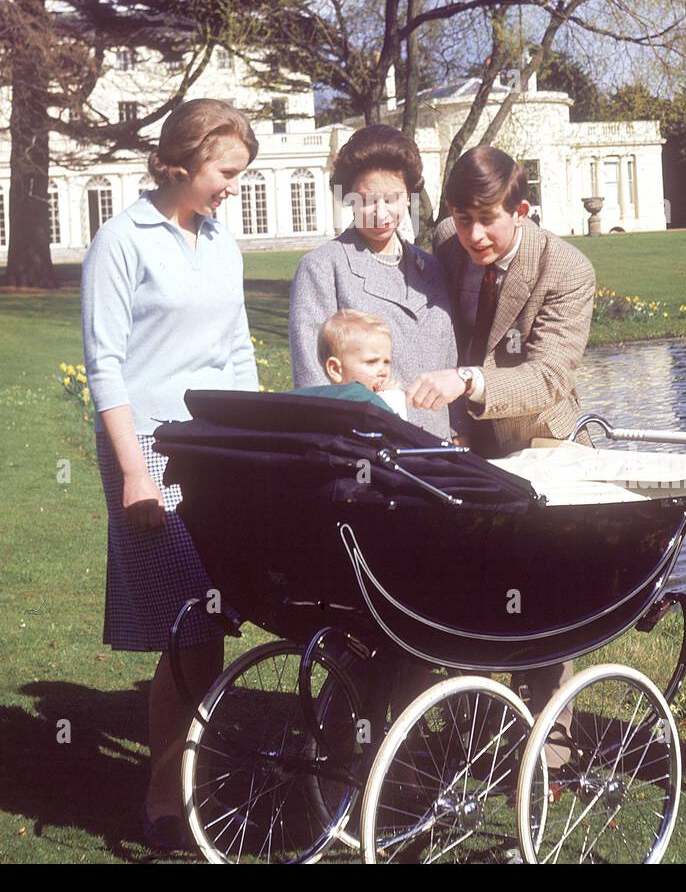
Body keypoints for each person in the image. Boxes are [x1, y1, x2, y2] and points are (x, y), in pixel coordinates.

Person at [81, 98, 260, 850]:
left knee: (213, 622)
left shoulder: (222, 243)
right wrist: (134, 474)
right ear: (182, 162)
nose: (232, 187)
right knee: (186, 625)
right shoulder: (120, 240)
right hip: (147, 451)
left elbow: (240, 352)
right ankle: (164, 795)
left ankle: (191, 772)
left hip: (219, 450)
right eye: (225, 173)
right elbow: (104, 364)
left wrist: (259, 452)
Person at [416, 145, 596, 778]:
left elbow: (548, 376)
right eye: (462, 219)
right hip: (463, 447)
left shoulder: (566, 269)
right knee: (469, 588)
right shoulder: (444, 243)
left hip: (538, 439)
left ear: (521, 209)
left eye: (487, 219)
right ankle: (474, 731)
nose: (474, 235)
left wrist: (469, 382)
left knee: (540, 592)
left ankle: (552, 749)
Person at [288, 125, 463, 441]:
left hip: (438, 451)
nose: (381, 214)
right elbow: (313, 386)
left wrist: (458, 435)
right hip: (366, 455)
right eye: (367, 200)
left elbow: (451, 363)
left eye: (393, 199)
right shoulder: (323, 267)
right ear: (348, 198)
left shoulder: (433, 268)